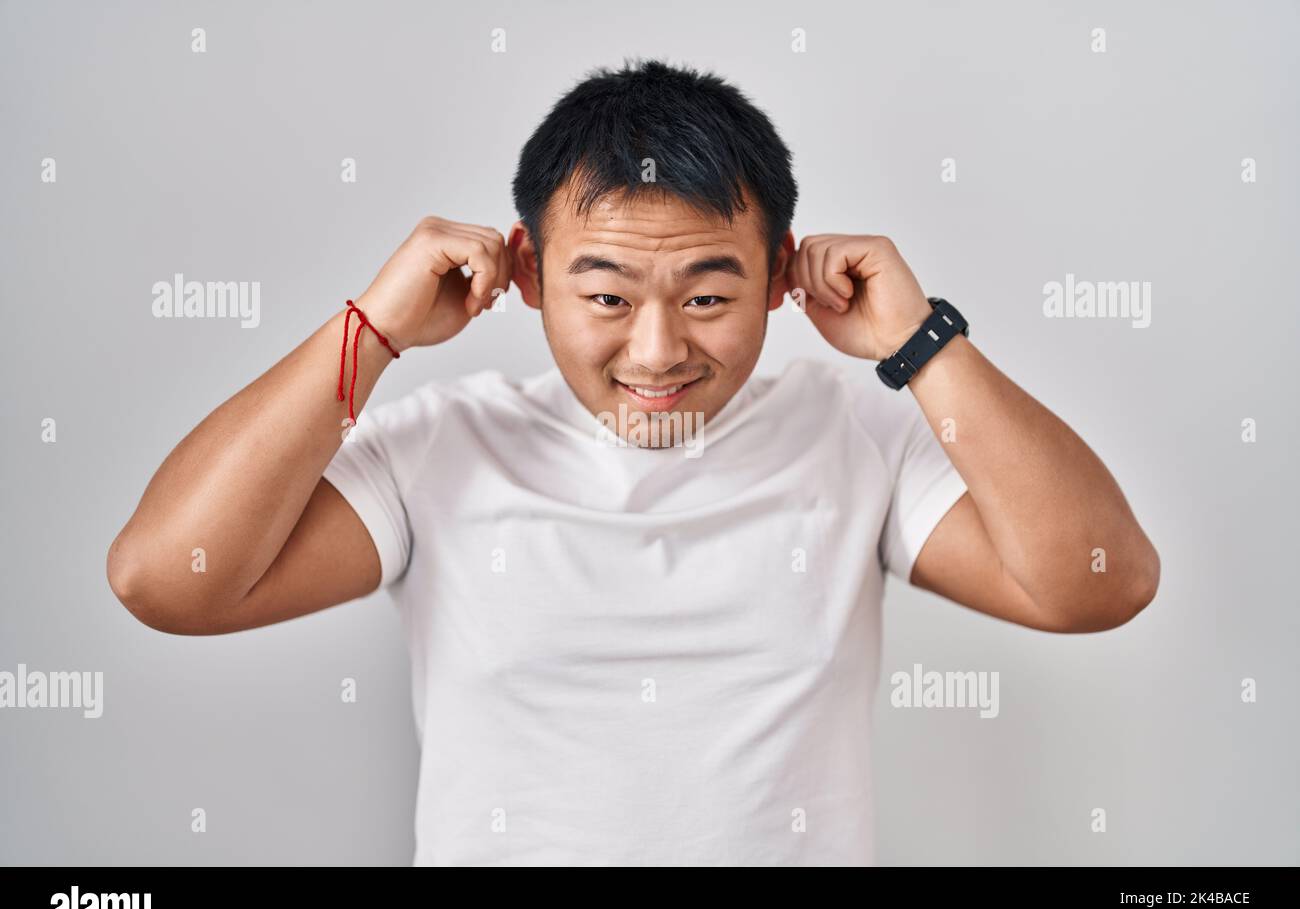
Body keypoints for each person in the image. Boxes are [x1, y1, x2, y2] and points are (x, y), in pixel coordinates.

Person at [106, 59, 1159, 865]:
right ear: (526, 271)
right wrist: (373, 328)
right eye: (606, 296)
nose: (656, 353)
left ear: (783, 274)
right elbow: (168, 579)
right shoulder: (444, 446)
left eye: (706, 296)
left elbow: (1096, 583)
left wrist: (919, 341)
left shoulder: (857, 437)